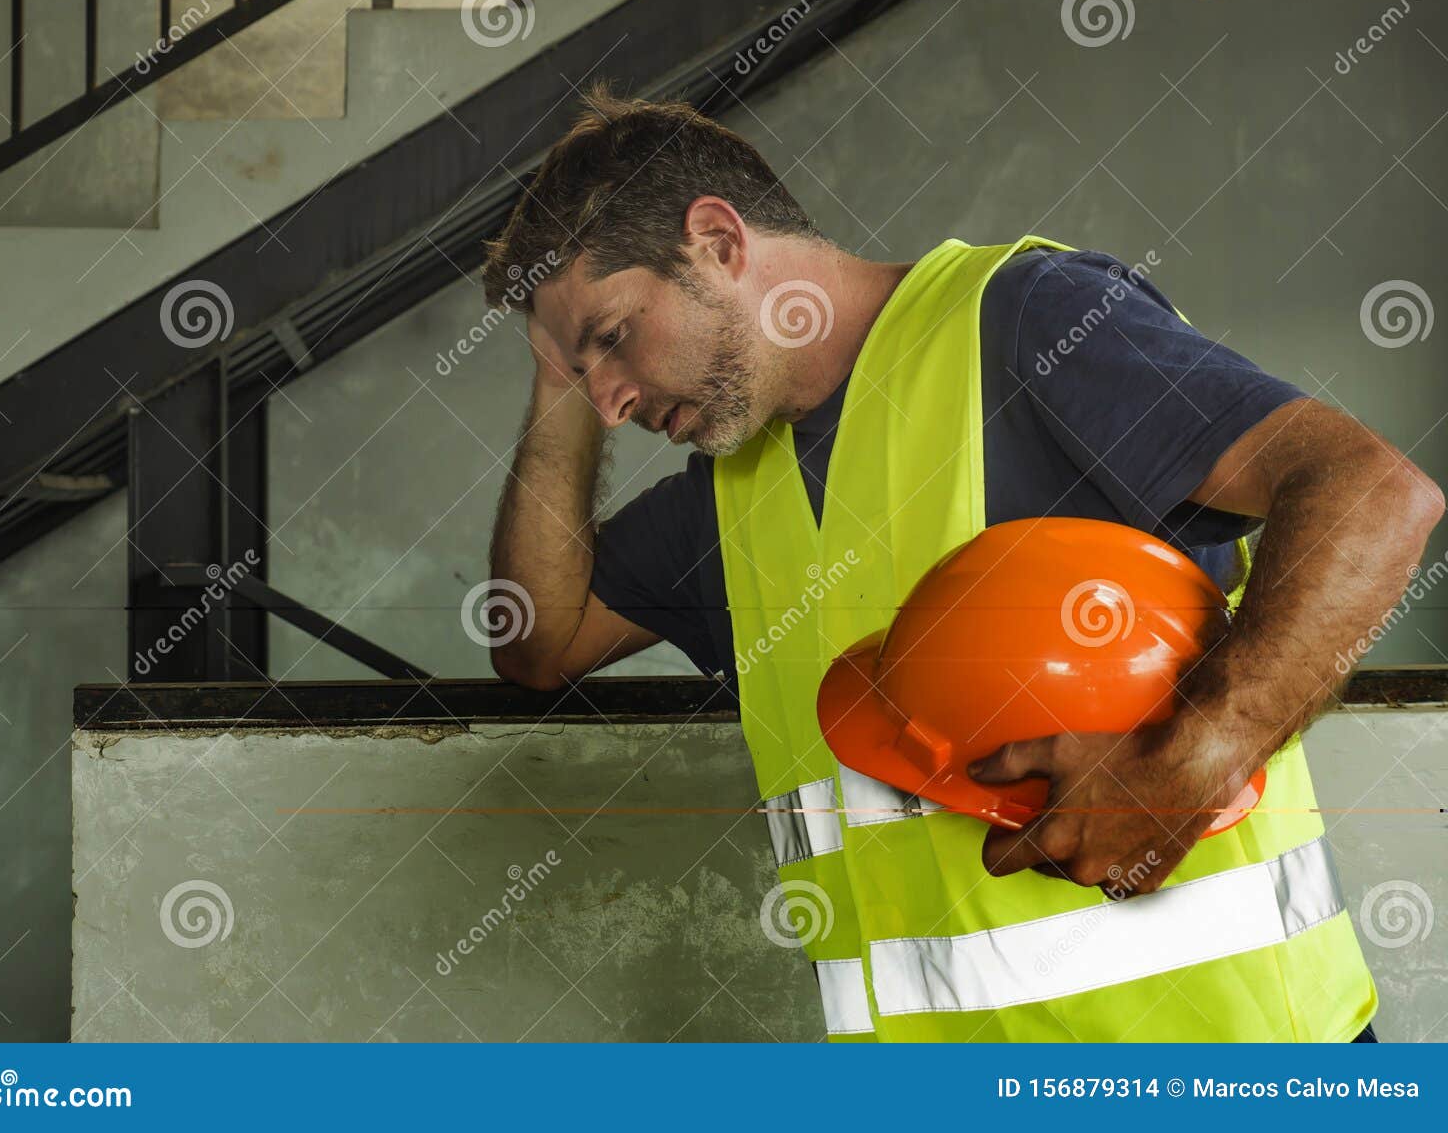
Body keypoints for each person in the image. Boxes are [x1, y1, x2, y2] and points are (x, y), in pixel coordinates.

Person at [481, 82, 1442, 1042]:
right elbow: (538, 641)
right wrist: (558, 365)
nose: (609, 403)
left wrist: (1198, 757)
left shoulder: (1027, 323)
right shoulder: (724, 499)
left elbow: (1372, 493)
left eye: (613, 338)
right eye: (580, 372)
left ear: (719, 242)